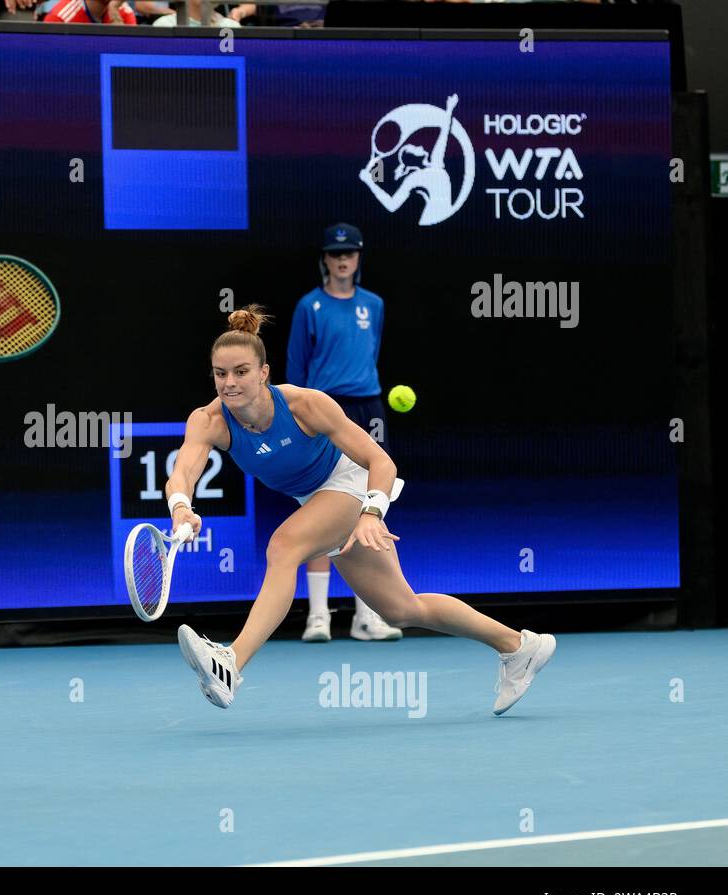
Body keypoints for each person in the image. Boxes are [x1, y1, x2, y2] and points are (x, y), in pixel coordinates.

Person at [167, 306, 556, 715]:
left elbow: (381, 462)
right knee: (403, 608)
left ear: (264, 372)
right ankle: (519, 646)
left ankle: (231, 662)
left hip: (352, 484)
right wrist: (180, 508)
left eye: (241, 372)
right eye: (220, 373)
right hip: (316, 500)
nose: (229, 383)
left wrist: (371, 512)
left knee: (283, 547)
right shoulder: (208, 420)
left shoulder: (305, 405)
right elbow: (183, 473)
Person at [288, 222, 398, 641]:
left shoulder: (375, 304)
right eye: (335, 254)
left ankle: (367, 616)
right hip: (322, 409)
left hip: (367, 406)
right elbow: (296, 367)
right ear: (325, 260)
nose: (342, 260)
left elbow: (369, 355)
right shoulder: (308, 307)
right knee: (320, 506)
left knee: (369, 503)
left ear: (357, 259)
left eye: (349, 253)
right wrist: (298, 417)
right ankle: (319, 615)